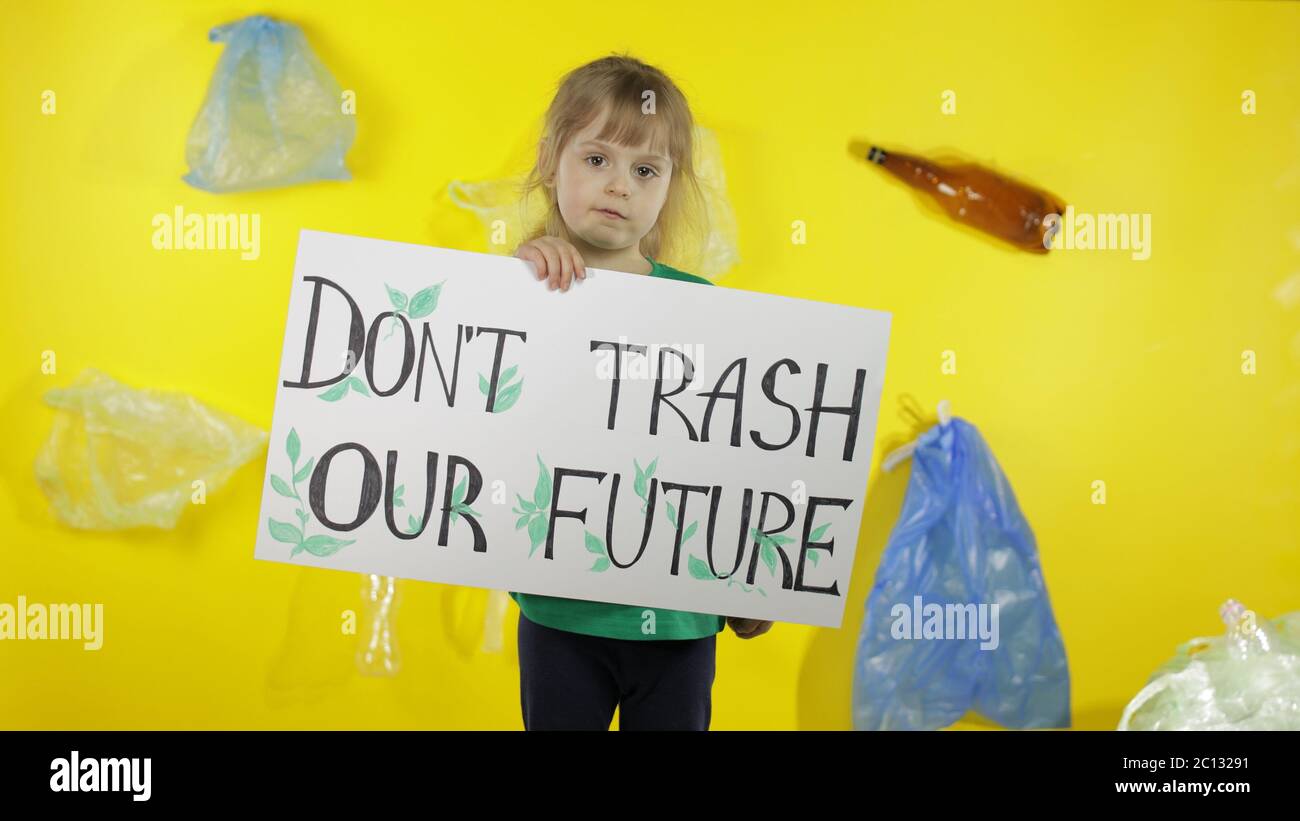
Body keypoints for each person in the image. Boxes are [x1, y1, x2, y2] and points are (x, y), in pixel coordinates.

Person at [508, 54, 773, 731]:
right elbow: (482, 408)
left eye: (644, 169)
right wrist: (513, 281)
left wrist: (753, 575)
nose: (619, 185)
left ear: (668, 187)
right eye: (596, 159)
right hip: (560, 614)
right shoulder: (520, 291)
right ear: (549, 159)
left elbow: (729, 461)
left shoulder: (703, 309)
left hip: (680, 624)